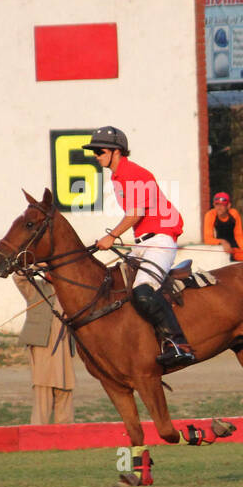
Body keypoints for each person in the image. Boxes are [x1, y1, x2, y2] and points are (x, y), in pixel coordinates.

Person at [88, 125, 196, 371]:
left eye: (99, 150)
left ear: (116, 151)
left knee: (144, 291)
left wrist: (112, 236)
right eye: (94, 151)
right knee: (114, 285)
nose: (95, 155)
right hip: (143, 242)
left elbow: (135, 213)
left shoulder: (132, 173)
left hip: (160, 240)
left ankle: (178, 345)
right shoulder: (117, 177)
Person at [14, 274, 75, 425]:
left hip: (63, 345)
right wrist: (37, 265)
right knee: (44, 389)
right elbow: (18, 277)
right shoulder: (35, 287)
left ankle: (65, 432)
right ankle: (38, 432)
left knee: (65, 387)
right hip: (43, 345)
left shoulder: (68, 290)